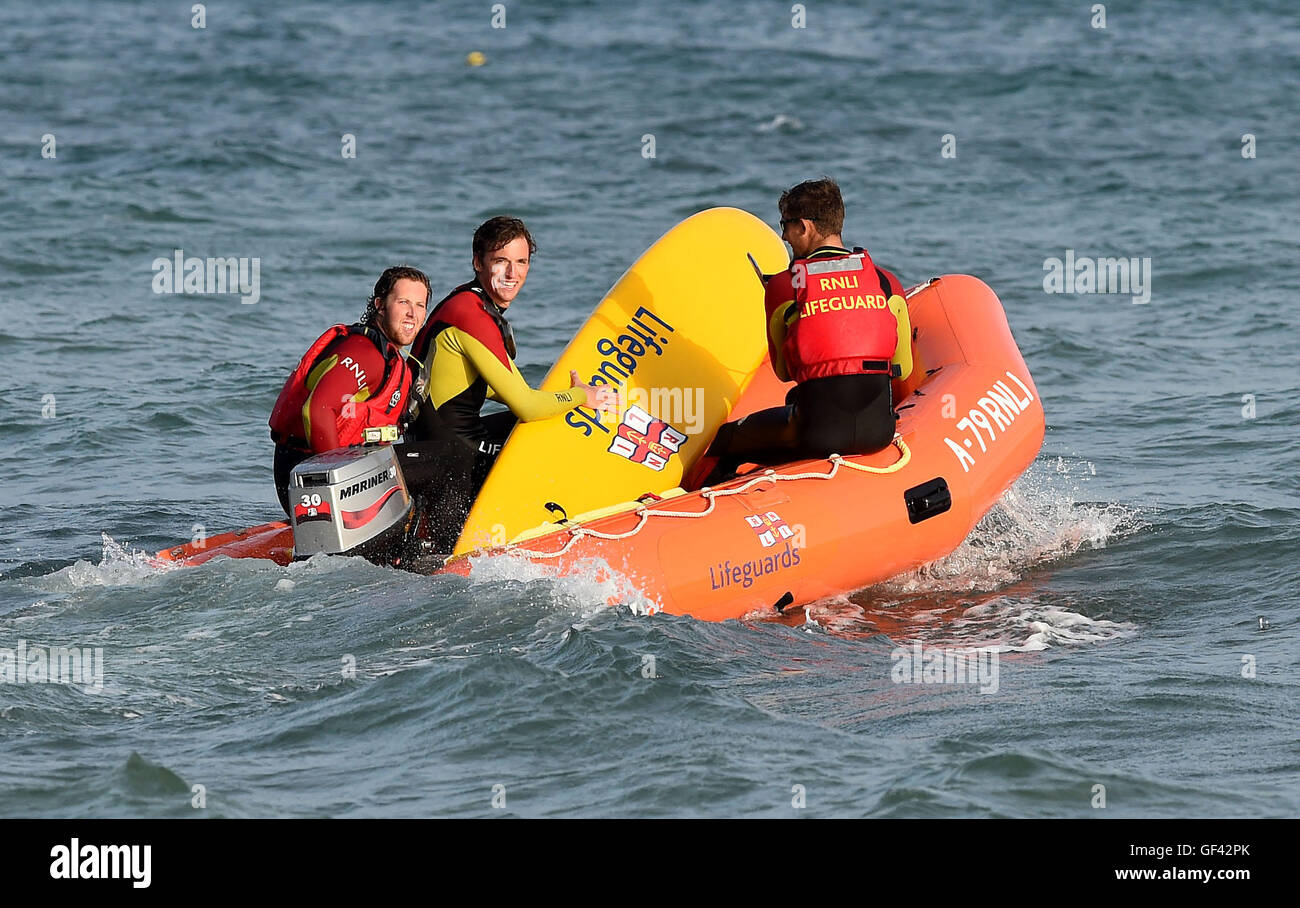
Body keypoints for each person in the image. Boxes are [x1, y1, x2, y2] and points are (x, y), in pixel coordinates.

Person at [692, 178, 913, 487]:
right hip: (878, 432)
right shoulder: (886, 281)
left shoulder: (785, 286)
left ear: (805, 227)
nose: (783, 235)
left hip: (815, 435)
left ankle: (705, 505)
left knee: (727, 439)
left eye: (786, 225)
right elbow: (904, 368)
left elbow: (784, 371)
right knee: (800, 398)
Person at [408, 216, 618, 491]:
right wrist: (584, 396)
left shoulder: (465, 301)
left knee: (546, 419)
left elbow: (468, 384)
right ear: (478, 262)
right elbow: (527, 407)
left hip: (434, 443)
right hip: (455, 456)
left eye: (521, 262)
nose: (512, 273)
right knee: (552, 429)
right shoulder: (473, 316)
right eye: (500, 261)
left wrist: (553, 399)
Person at [269, 266, 431, 515]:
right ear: (380, 305)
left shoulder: (390, 358)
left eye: (420, 305)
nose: (412, 313)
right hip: (309, 478)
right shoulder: (364, 352)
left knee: (431, 464)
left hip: (335, 471)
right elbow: (317, 409)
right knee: (447, 468)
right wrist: (337, 482)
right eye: (403, 302)